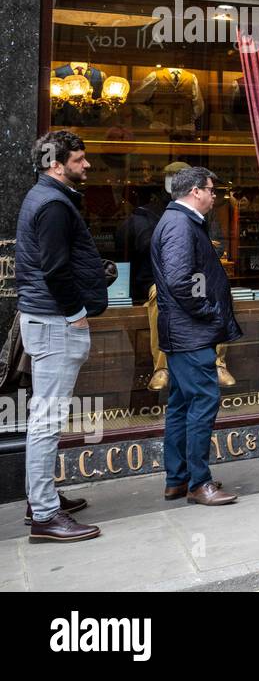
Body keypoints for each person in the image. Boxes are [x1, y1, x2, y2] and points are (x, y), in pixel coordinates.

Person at [15, 131, 108, 542]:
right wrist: (76, 316)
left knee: (45, 415)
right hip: (55, 322)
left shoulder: (45, 197)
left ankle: (42, 499)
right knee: (47, 419)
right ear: (57, 164)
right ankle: (45, 516)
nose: (86, 165)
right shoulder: (53, 203)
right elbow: (54, 269)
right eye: (79, 159)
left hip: (47, 319)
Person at [152, 166, 242, 505]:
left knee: (180, 405)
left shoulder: (180, 221)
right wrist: (210, 312)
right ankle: (199, 483)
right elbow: (179, 282)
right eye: (211, 190)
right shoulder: (179, 224)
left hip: (184, 332)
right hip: (190, 333)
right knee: (202, 404)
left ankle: (178, 480)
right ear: (195, 192)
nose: (214, 196)